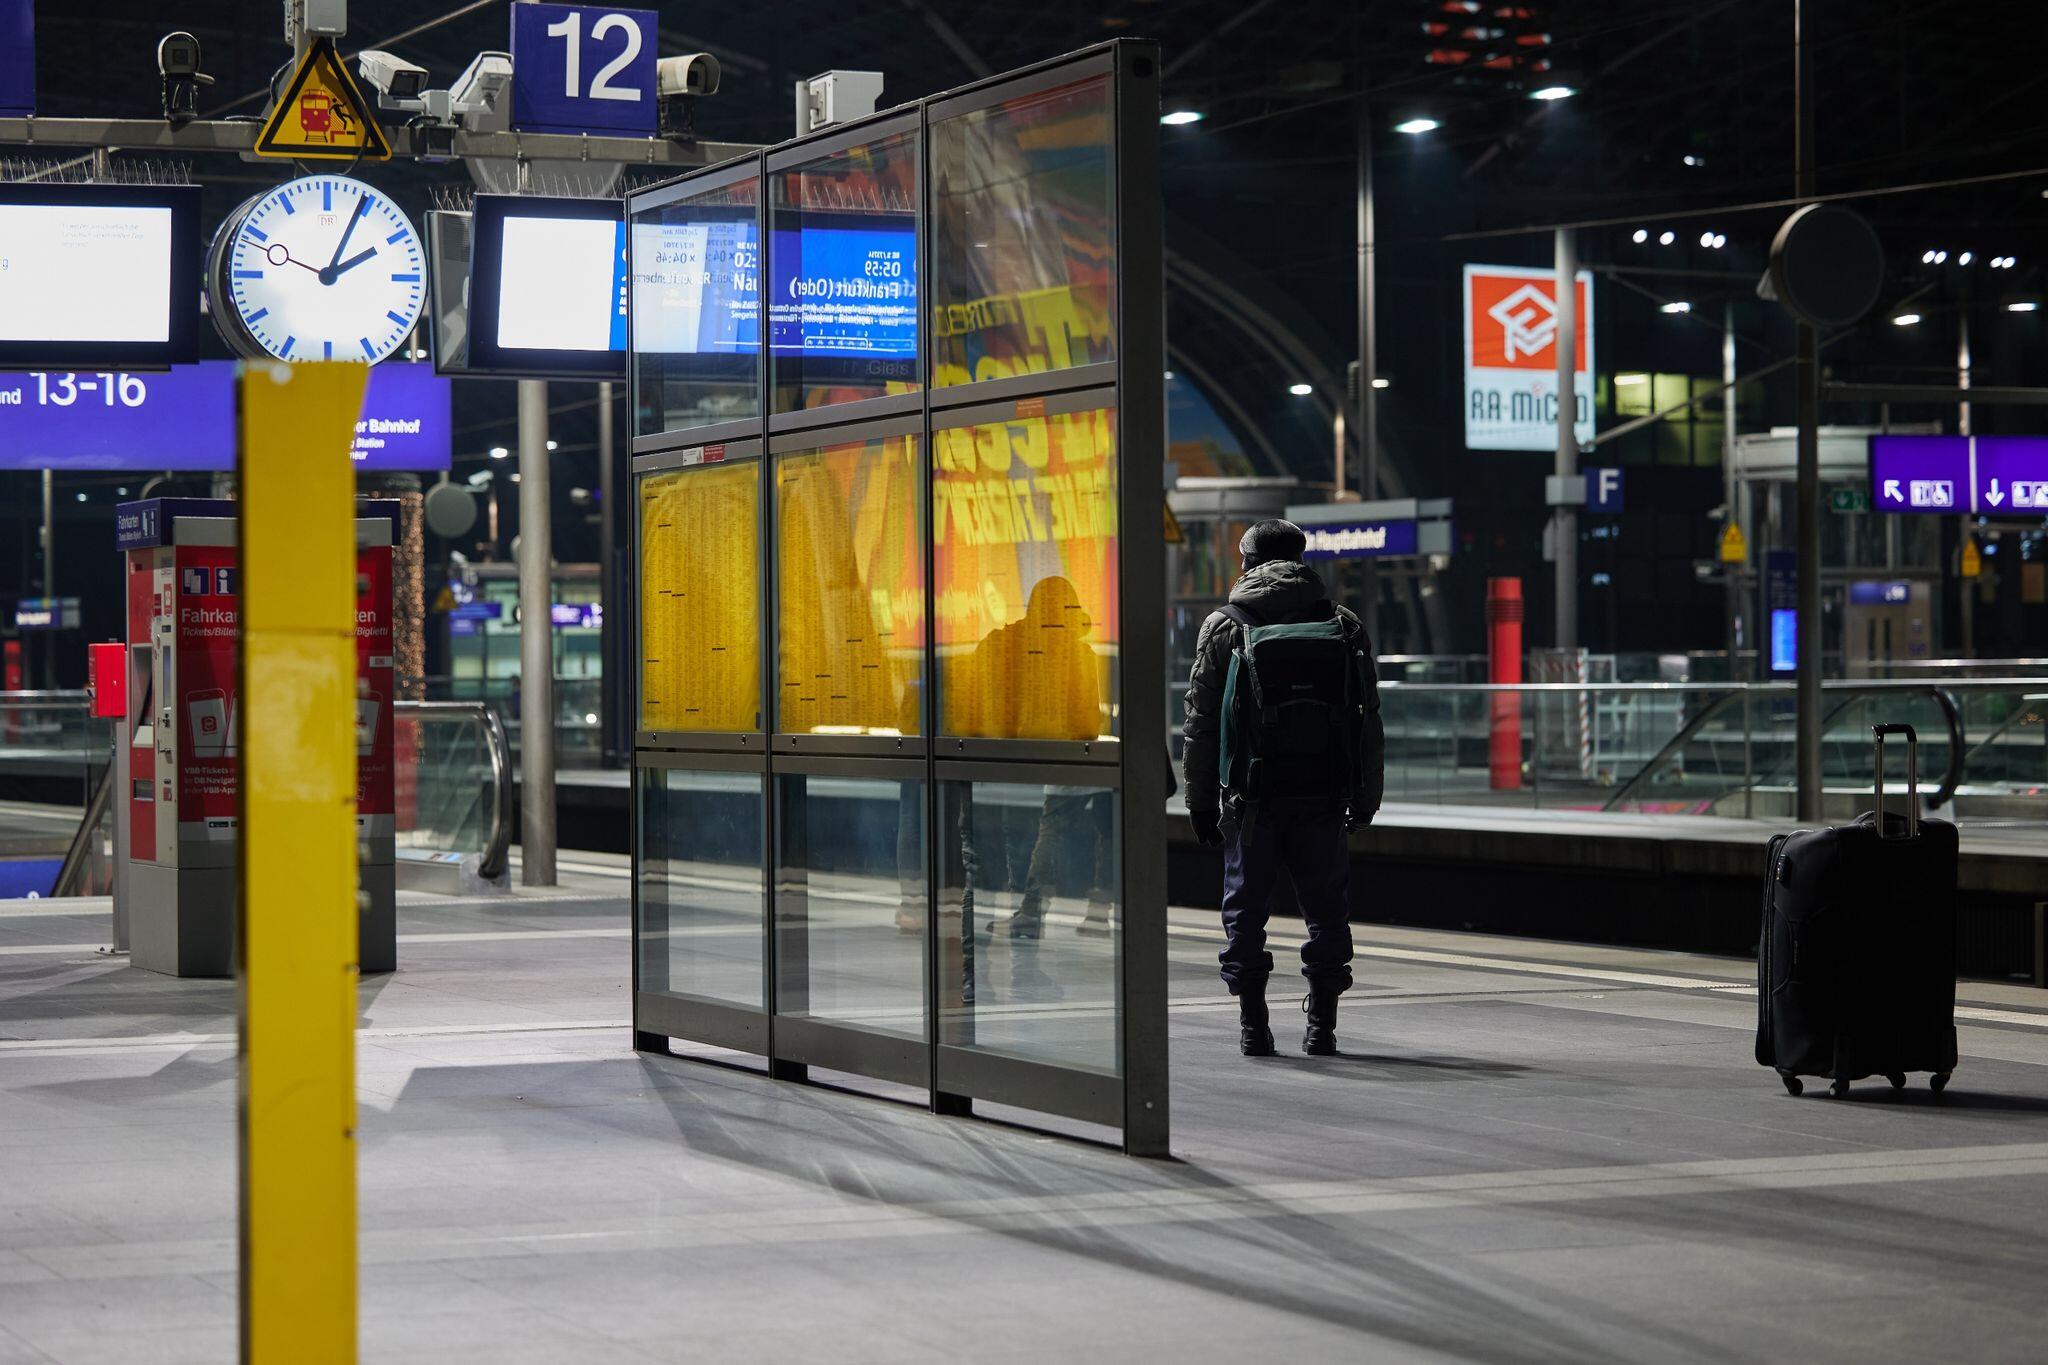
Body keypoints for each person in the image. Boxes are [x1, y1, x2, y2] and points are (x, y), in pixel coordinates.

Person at [1181, 519, 1385, 1057]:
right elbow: (1368, 719)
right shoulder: (1343, 624)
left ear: (1246, 562)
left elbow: (1201, 723)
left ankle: (1254, 1025)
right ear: (1301, 560)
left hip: (1252, 800)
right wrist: (1366, 798)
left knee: (1245, 912)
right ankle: (1322, 1027)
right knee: (1326, 912)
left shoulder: (1225, 626)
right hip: (1323, 795)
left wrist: (1198, 800)